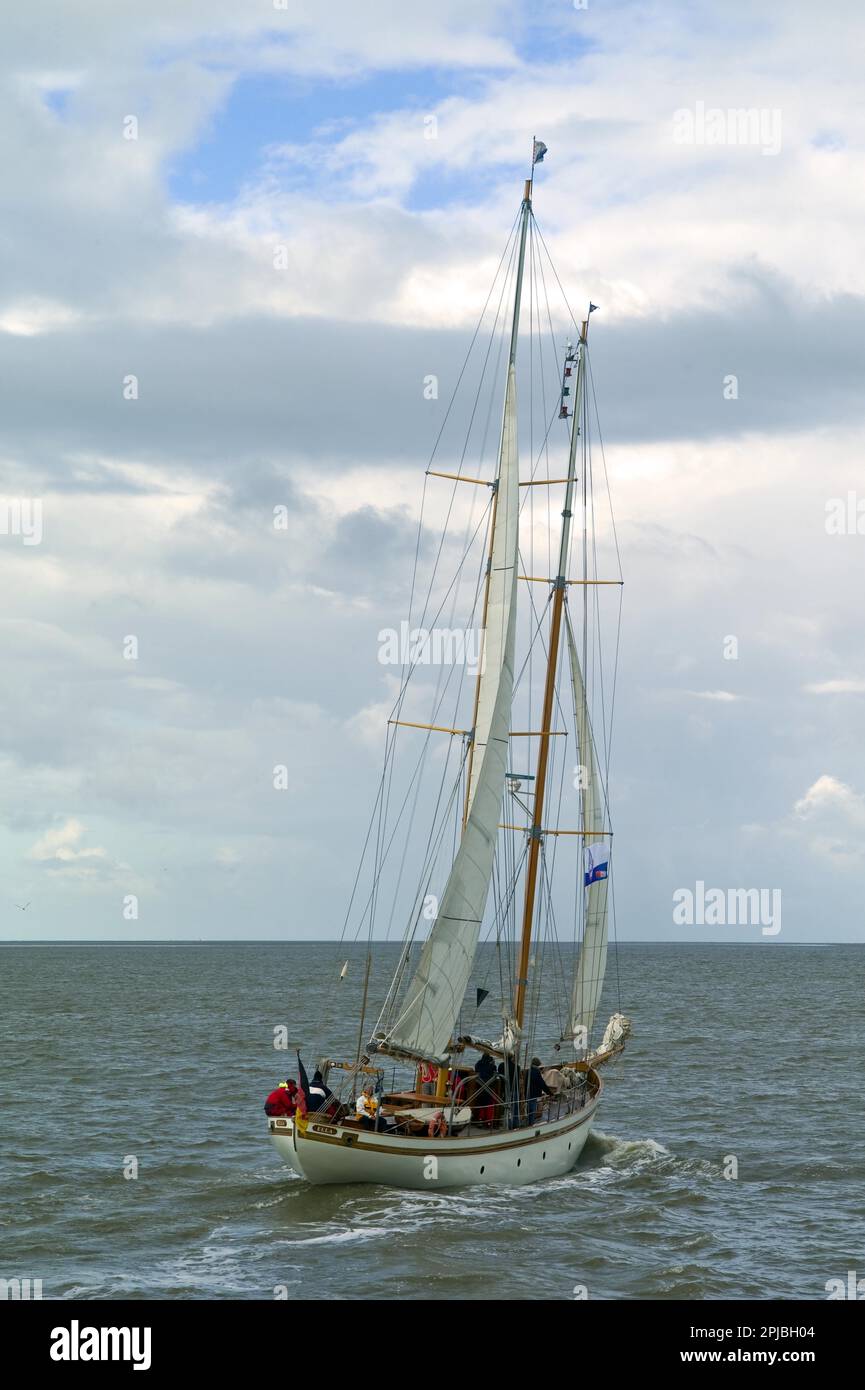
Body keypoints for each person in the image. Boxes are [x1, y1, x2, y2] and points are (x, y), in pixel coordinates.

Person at [525, 1058, 554, 1125]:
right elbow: (541, 1084)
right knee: (532, 1110)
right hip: (533, 1094)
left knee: (529, 1110)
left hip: (527, 1094)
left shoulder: (528, 1071)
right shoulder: (536, 1071)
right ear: (537, 1064)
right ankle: (531, 1124)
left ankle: (528, 1122)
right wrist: (550, 1093)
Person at [474, 1051, 497, 1128]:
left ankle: (480, 1120)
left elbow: (476, 1069)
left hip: (480, 1086)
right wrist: (493, 1064)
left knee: (481, 1104)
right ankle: (488, 1122)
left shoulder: (478, 1064)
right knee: (489, 1105)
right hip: (489, 1087)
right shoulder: (491, 1065)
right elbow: (494, 1071)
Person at [497, 1053, 520, 1129]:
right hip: (514, 1089)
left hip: (505, 1089)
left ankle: (507, 1123)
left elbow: (500, 1075)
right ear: (512, 1058)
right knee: (515, 1107)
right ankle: (515, 1124)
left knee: (507, 1107)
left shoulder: (501, 1066)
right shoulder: (517, 1067)